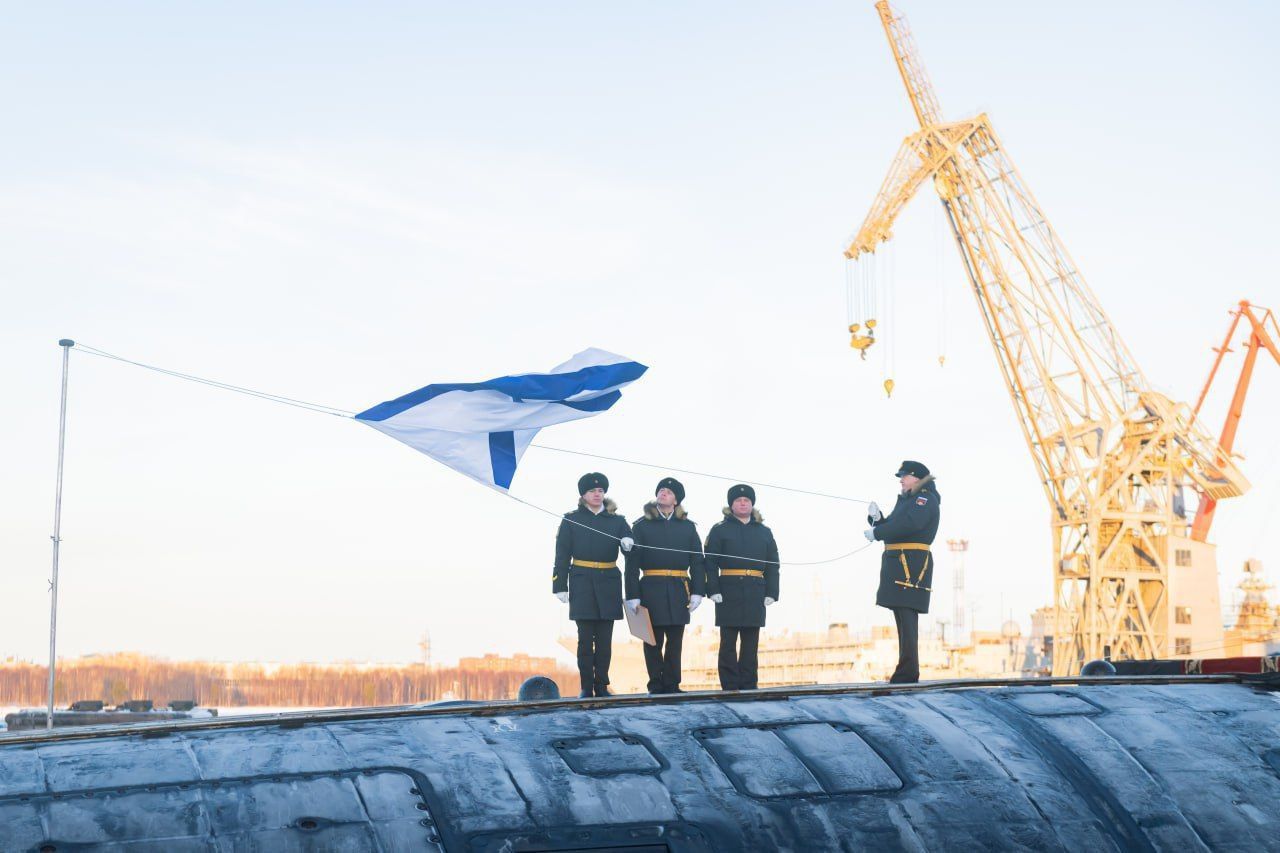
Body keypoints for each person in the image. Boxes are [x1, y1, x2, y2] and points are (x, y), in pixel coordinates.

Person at [553, 472, 633, 698]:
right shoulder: (571, 520)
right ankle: (586, 687)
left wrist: (629, 542)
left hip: (608, 582)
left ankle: (602, 685)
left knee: (605, 640)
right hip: (582, 582)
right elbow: (562, 554)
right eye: (592, 491)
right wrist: (560, 585)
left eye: (600, 491)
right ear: (583, 495)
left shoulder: (617, 521)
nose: (597, 494)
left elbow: (632, 550)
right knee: (585, 640)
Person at [625, 477, 705, 694]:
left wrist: (698, 592)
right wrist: (632, 594)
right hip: (651, 587)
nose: (663, 493)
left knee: (675, 640)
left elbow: (697, 561)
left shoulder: (688, 527)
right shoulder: (641, 526)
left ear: (676, 501)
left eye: (668, 492)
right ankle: (655, 684)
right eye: (661, 490)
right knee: (652, 640)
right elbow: (631, 564)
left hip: (679, 588)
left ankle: (672, 684)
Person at [863, 460, 941, 684]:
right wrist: (878, 519)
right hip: (901, 562)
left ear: (917, 478)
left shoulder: (924, 499)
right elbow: (894, 524)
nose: (901, 480)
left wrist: (878, 533)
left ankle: (908, 672)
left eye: (905, 476)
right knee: (901, 614)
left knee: (907, 616)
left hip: (911, 564)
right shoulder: (909, 500)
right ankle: (906, 670)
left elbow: (909, 525)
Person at [704, 484, 779, 690]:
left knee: (750, 641)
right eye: (738, 500)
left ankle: (748, 684)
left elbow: (773, 564)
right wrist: (713, 589)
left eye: (747, 500)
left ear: (752, 504)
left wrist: (772, 592)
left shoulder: (764, 532)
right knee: (728, 641)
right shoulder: (719, 530)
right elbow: (710, 562)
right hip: (728, 589)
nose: (743, 503)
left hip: (755, 589)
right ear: (731, 505)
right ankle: (729, 685)